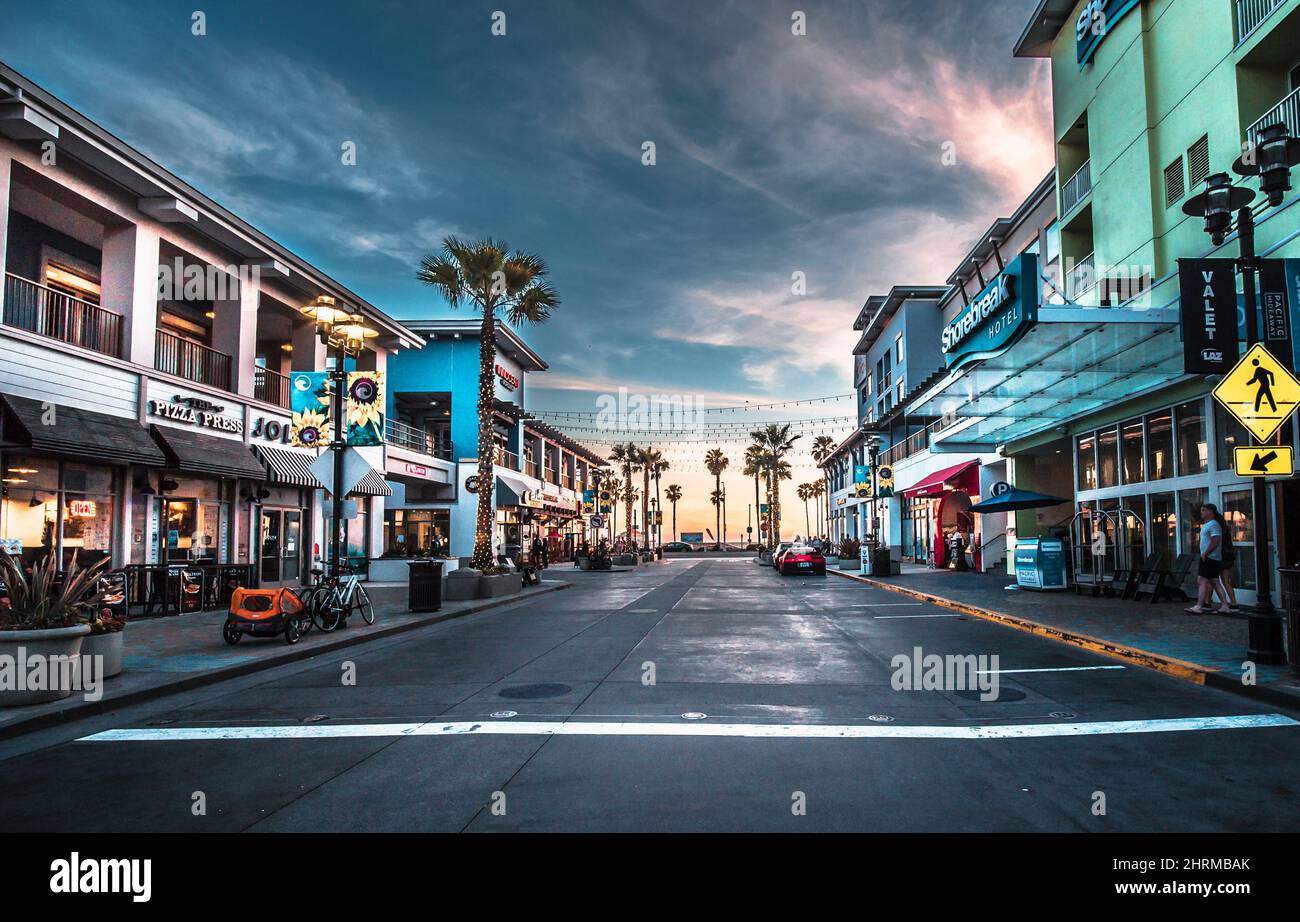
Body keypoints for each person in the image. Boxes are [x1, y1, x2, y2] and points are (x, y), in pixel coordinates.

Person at [1187, 503, 1230, 614]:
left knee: (1202, 580)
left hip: (1210, 557)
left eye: (1203, 510)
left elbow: (1215, 541)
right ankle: (1224, 605)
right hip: (1210, 557)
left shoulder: (1213, 524)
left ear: (1210, 512)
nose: (1201, 512)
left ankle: (1199, 606)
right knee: (1215, 581)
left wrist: (1205, 553)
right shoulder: (1208, 524)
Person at [1210, 509, 1239, 613]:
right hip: (1227, 557)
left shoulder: (1216, 530)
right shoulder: (1225, 530)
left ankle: (1207, 602)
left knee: (1212, 580)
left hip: (1220, 557)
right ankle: (1234, 603)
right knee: (1225, 581)